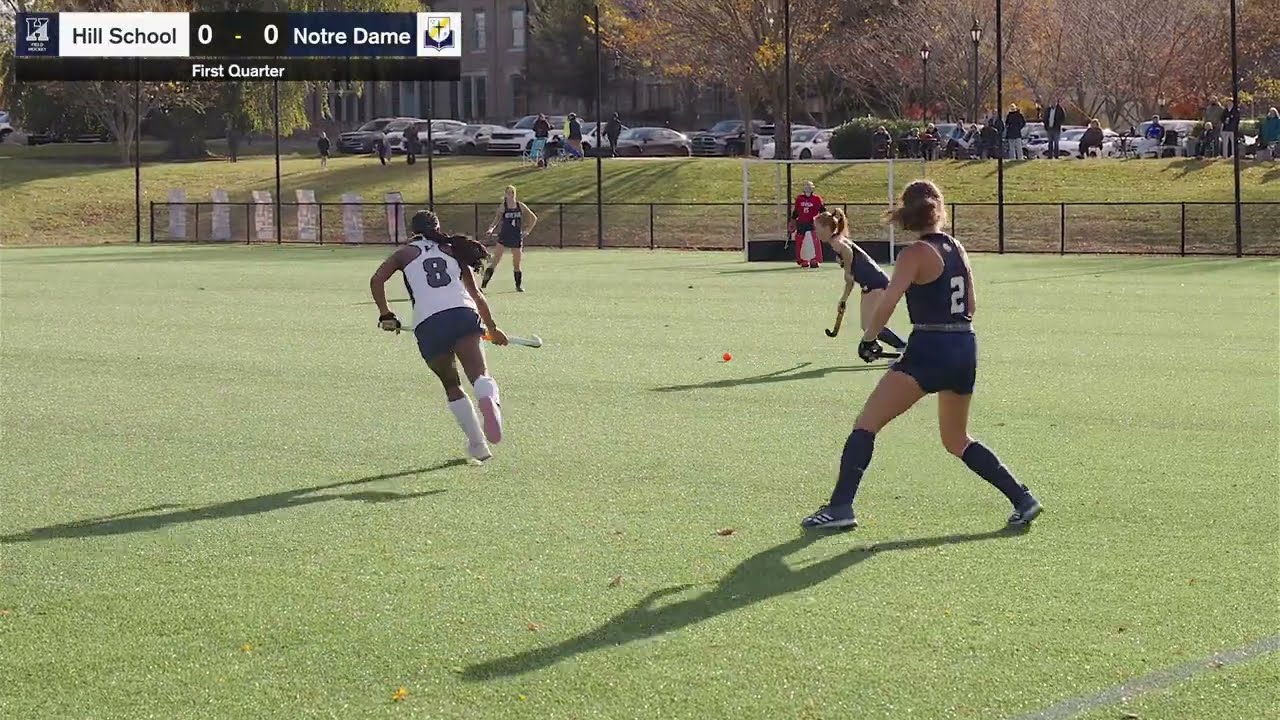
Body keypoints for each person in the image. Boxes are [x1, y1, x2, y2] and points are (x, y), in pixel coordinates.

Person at [800, 180, 1042, 531]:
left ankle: (840, 508)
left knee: (866, 424)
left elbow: (889, 300)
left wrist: (868, 339)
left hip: (929, 348)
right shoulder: (956, 247)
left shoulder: (913, 254)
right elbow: (971, 305)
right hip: (964, 348)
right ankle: (1022, 498)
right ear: (940, 211)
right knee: (957, 440)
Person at [369, 210, 510, 463]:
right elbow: (477, 294)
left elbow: (377, 280)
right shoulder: (452, 250)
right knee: (479, 375)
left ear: (413, 231)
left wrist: (386, 314)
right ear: (437, 227)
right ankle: (488, 399)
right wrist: (492, 329)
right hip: (462, 314)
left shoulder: (404, 253)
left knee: (452, 385)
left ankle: (478, 445)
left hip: (428, 324)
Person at [813, 208, 907, 353]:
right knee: (867, 326)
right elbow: (850, 280)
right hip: (870, 284)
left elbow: (847, 253)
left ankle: (903, 347)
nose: (816, 232)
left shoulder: (836, 242)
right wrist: (843, 299)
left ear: (826, 228)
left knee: (871, 325)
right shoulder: (838, 239)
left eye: (817, 228)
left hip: (876, 283)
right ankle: (877, 346)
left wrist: (848, 269)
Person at [483, 185, 539, 292]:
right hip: (504, 236)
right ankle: (483, 285)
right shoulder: (503, 207)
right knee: (495, 261)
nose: (511, 195)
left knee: (517, 264)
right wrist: (491, 229)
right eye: (508, 193)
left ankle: (518, 286)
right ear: (505, 194)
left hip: (516, 237)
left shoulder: (520, 206)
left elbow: (533, 218)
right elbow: (496, 221)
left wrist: (527, 231)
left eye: (512, 193)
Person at [790, 181, 825, 269]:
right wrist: (792, 223)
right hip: (801, 223)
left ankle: (815, 259)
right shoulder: (799, 199)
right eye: (806, 188)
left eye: (809, 187)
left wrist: (823, 222)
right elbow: (795, 212)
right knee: (800, 242)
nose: (808, 189)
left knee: (814, 241)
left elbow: (822, 211)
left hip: (812, 224)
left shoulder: (817, 199)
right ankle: (803, 260)